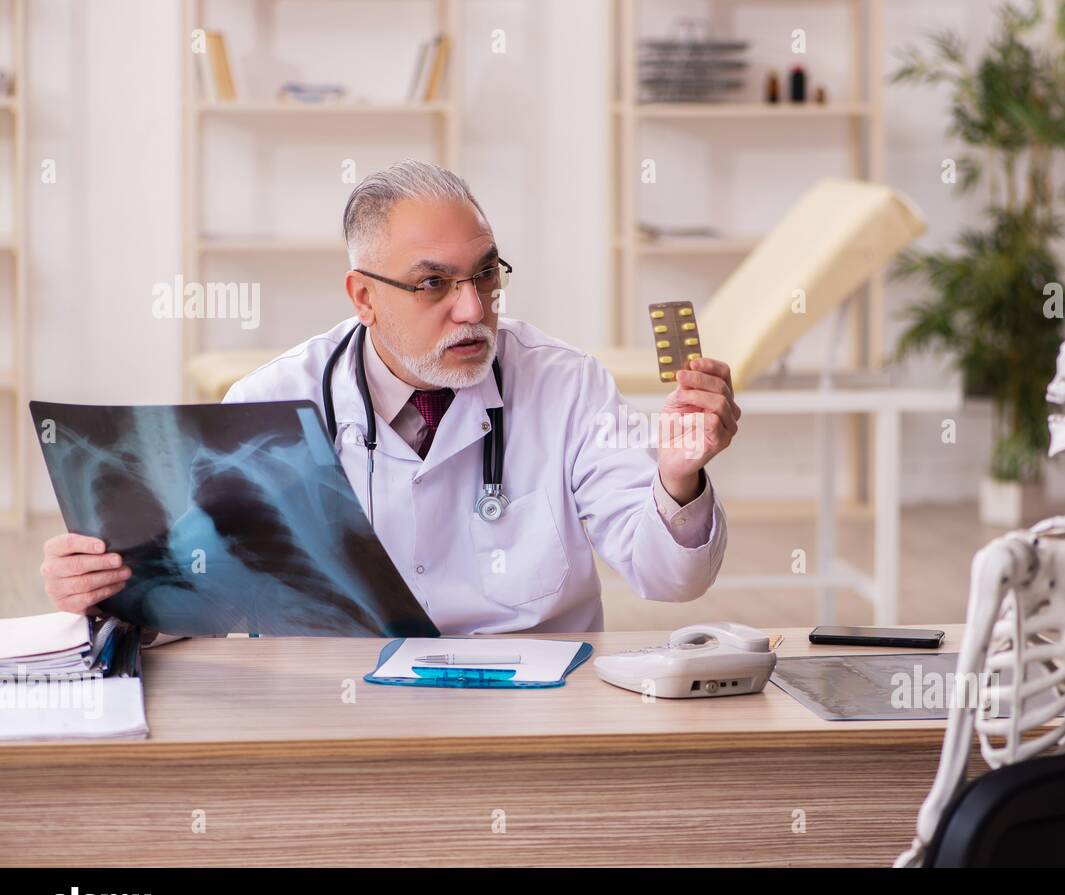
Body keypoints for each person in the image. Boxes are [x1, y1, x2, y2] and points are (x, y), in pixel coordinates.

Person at [40, 160, 740, 633]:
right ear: (364, 297)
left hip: (534, 721)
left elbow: (670, 577)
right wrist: (101, 590)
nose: (473, 308)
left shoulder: (566, 386)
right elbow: (190, 596)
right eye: (433, 283)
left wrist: (679, 476)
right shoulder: (273, 401)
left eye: (486, 274)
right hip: (345, 720)